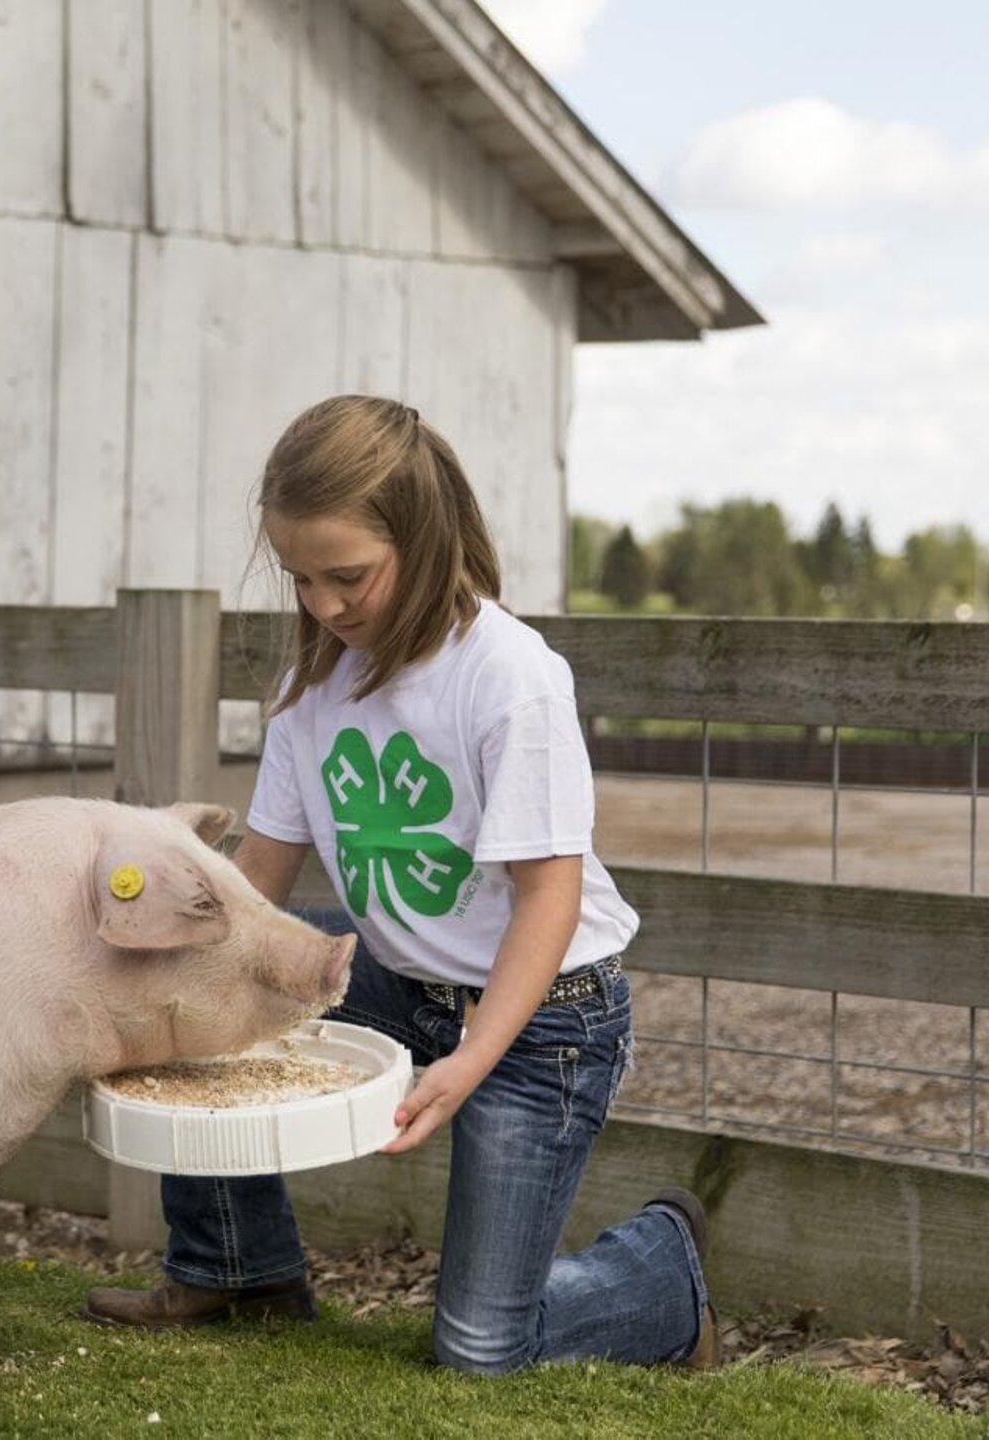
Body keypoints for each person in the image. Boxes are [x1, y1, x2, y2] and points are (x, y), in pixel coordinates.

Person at [84, 395, 716, 1373]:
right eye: (301, 579)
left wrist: (467, 1060)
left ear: (423, 540)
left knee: (481, 1350)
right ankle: (238, 1268)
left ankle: (662, 1272)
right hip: (398, 978)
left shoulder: (510, 678)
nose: (325, 606)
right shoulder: (312, 693)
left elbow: (546, 902)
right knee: (201, 993)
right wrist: (163, 980)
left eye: (349, 577)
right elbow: (258, 885)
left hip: (543, 1014)